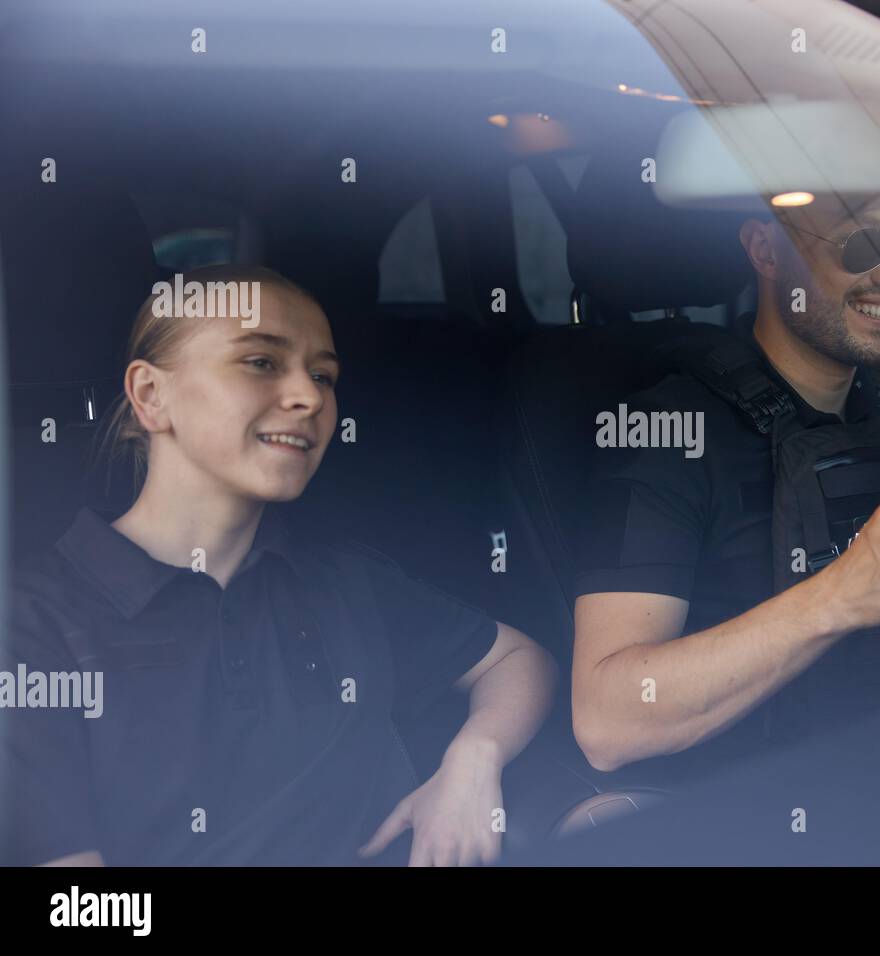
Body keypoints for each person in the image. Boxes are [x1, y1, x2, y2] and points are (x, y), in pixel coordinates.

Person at [0, 265, 556, 866]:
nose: (310, 396)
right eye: (261, 362)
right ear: (151, 396)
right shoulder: (30, 628)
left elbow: (518, 659)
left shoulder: (342, 583)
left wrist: (474, 760)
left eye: (324, 375)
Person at [571, 197, 880, 777]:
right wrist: (842, 593)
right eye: (862, 245)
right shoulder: (670, 435)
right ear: (764, 250)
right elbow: (606, 721)